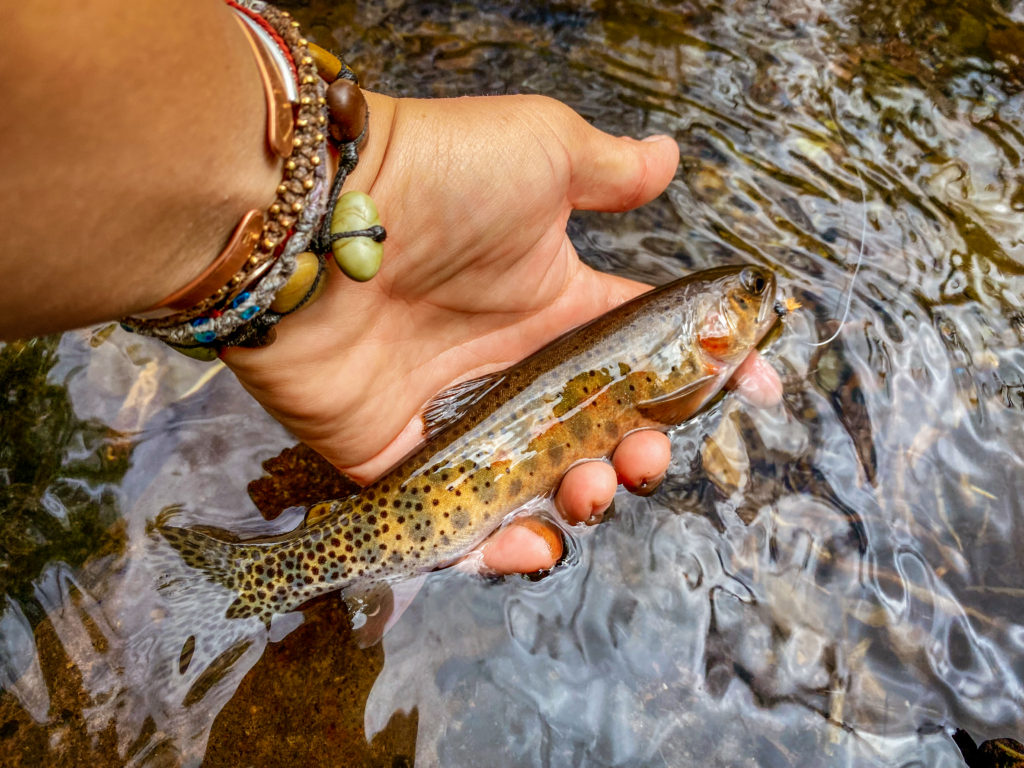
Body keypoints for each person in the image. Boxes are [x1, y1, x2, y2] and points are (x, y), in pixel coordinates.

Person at [0, 0, 781, 576]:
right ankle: (281, 574)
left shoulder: (684, 354)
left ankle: (295, 572)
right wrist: (339, 183)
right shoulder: (689, 364)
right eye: (748, 295)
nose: (759, 299)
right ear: (706, 327)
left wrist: (330, 186)